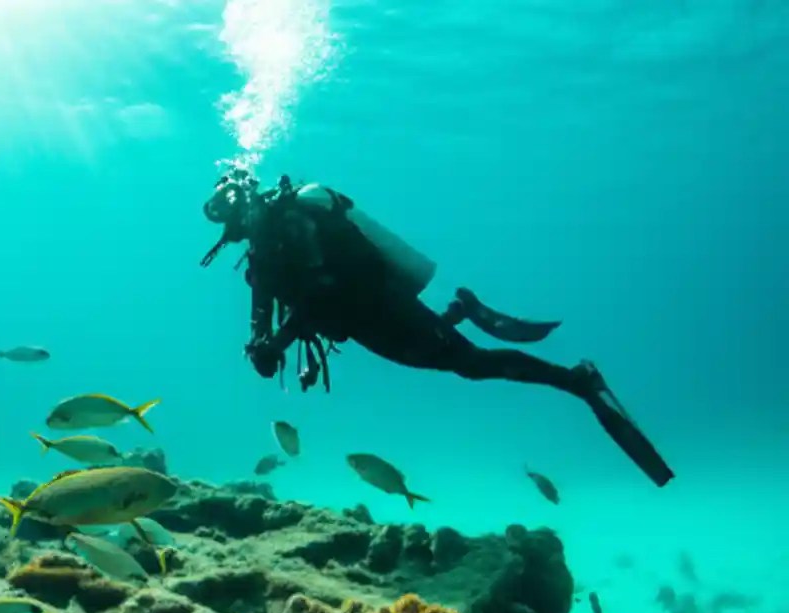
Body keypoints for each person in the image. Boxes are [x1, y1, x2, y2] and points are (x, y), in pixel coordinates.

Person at [200, 169, 674, 488]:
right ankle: (458, 312)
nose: (230, 227)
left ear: (246, 203)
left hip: (382, 307)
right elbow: (262, 320)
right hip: (367, 327)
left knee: (469, 364)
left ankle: (578, 379)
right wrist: (262, 348)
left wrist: (279, 342)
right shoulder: (262, 257)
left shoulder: (294, 221)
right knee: (447, 360)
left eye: (230, 213)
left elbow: (322, 289)